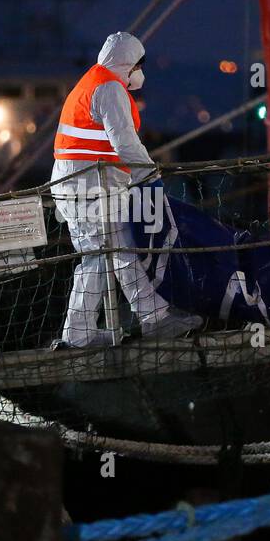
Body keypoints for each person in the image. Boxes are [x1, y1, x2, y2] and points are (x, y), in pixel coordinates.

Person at [51, 31, 202, 347]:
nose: (140, 73)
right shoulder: (109, 89)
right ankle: (154, 319)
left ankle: (79, 334)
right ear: (128, 64)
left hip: (76, 187)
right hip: (91, 189)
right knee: (118, 252)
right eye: (138, 66)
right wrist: (149, 174)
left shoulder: (91, 83)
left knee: (102, 255)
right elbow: (125, 143)